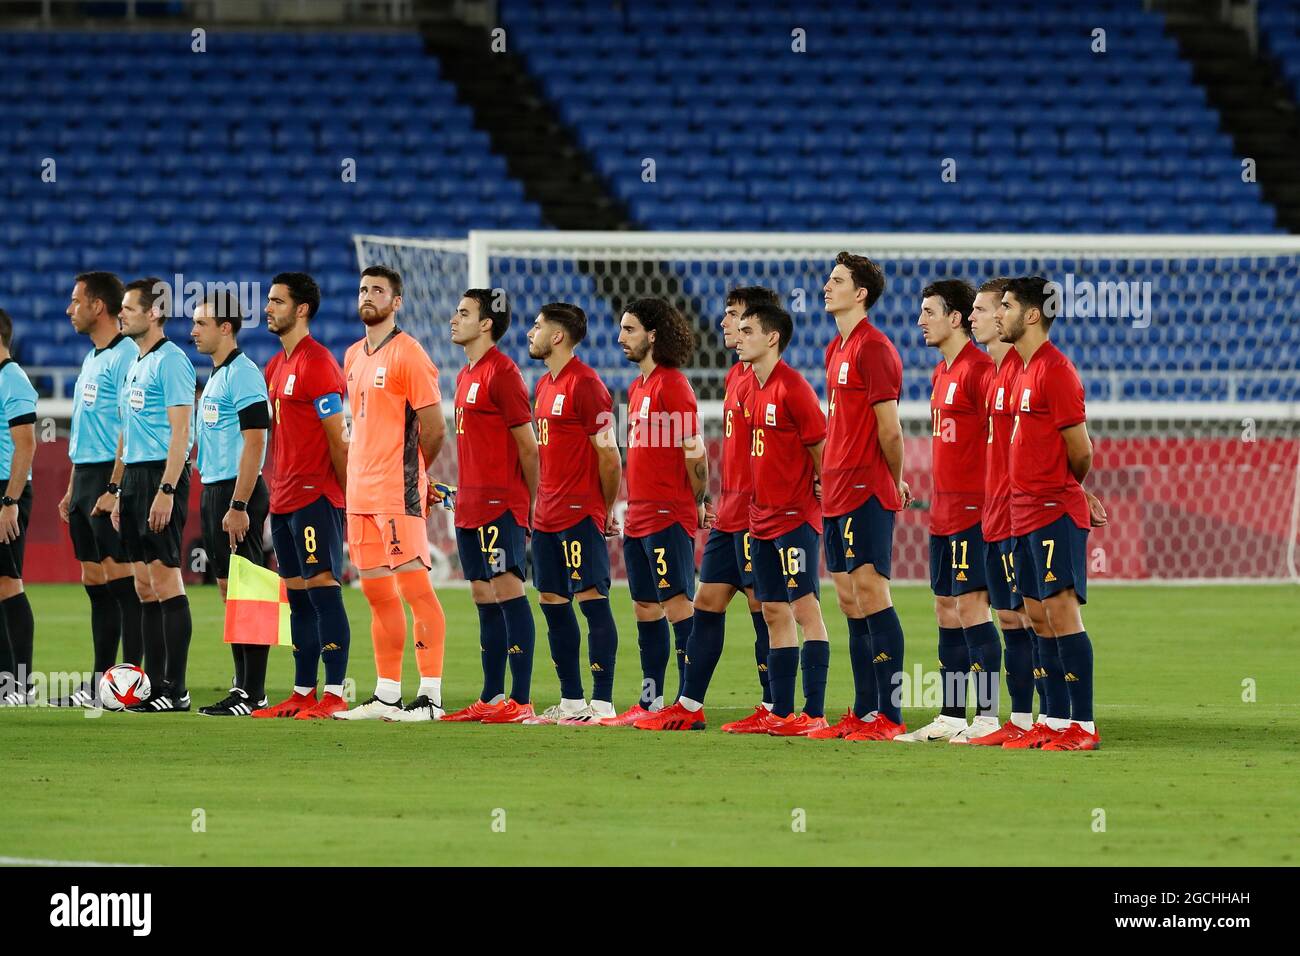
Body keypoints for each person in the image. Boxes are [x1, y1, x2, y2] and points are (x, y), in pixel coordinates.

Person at [334, 265, 450, 722]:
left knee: (416, 588)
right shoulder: (352, 356)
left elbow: (435, 429)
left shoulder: (410, 354)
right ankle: (386, 694)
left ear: (396, 302)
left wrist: (415, 475)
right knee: (377, 596)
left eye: (378, 290)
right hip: (359, 494)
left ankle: (431, 696)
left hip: (396, 492)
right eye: (363, 289)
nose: (368, 296)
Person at [998, 276, 1100, 751]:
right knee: (1037, 616)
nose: (999, 313)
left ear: (1032, 314)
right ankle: (1056, 721)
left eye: (1007, 305)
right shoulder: (1023, 369)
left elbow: (1080, 451)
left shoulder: (1055, 371)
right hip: (1023, 513)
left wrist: (1066, 489)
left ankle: (1083, 725)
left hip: (1052, 511)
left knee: (1061, 614)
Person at [895, 280, 999, 743]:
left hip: (976, 510)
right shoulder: (942, 373)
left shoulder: (981, 371)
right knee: (944, 608)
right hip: (943, 510)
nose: (920, 321)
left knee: (972, 606)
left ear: (955, 318)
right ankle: (952, 716)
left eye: (929, 312)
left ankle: (989, 716)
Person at [816, 252, 910, 742]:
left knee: (872, 593)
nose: (826, 286)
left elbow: (889, 431)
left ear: (861, 294)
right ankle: (865, 711)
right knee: (851, 602)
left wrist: (893, 480)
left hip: (863, 488)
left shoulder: (874, 349)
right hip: (834, 488)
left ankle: (890, 716)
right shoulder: (836, 349)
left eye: (837, 280)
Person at [603, 297, 709, 726]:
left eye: (629, 330)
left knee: (678, 606)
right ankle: (650, 701)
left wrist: (700, 503)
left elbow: (694, 452)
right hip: (639, 515)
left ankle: (686, 708)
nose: (620, 337)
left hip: (668, 514)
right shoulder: (638, 388)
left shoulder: (672, 385)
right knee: (645, 609)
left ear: (652, 335)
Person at [251, 273, 351, 720]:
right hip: (284, 500)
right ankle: (301, 692)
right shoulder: (275, 367)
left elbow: (339, 440)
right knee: (296, 598)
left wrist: (348, 497)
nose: (268, 308)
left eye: (276, 301)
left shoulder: (319, 364)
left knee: (324, 592)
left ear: (302, 309)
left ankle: (334, 694)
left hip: (316, 498)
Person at [442, 289, 540, 724]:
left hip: (501, 505)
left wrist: (532, 506)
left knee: (507, 589)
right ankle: (491, 695)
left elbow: (529, 448)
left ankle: (520, 700)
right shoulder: (466, 375)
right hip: (470, 505)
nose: (454, 318)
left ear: (486, 324)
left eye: (464, 313)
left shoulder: (503, 374)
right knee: (483, 593)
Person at [523, 302, 622, 725]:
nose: (531, 332)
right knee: (551, 602)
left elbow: (610, 457)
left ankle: (601, 704)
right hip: (546, 515)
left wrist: (604, 508)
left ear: (558, 336)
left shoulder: (588, 386)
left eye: (538, 325)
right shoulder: (544, 384)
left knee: (592, 601)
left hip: (580, 512)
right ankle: (570, 701)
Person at [110, 278, 196, 713]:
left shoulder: (173, 362)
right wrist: (115, 489)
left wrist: (166, 488)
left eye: (127, 308)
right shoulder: (133, 363)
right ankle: (152, 686)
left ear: (154, 313)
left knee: (166, 579)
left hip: (162, 477)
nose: (120, 314)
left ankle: (175, 689)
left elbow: (181, 431)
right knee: (144, 586)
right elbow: (126, 433)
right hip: (134, 481)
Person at [56, 272, 142, 708]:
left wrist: (115, 486)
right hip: (86, 477)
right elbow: (88, 428)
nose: (70, 309)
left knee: (123, 578)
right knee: (94, 578)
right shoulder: (93, 357)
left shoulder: (127, 356)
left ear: (99, 306)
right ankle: (100, 681)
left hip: (112, 477)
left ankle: (131, 684)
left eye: (76, 301)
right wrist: (74, 486)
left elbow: (131, 427)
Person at [190, 291, 272, 717]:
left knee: (249, 591)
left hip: (237, 493)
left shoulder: (242, 373)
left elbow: (256, 439)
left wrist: (239, 503)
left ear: (226, 328)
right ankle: (242, 687)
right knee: (229, 591)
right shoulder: (218, 375)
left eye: (201, 323)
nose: (193, 331)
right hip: (216, 491)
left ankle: (253, 693)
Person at [0, 310, 38, 706]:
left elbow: (26, 444)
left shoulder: (12, 378)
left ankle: (20, 685)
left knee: (9, 582)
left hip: (6, 492)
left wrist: (9, 501)